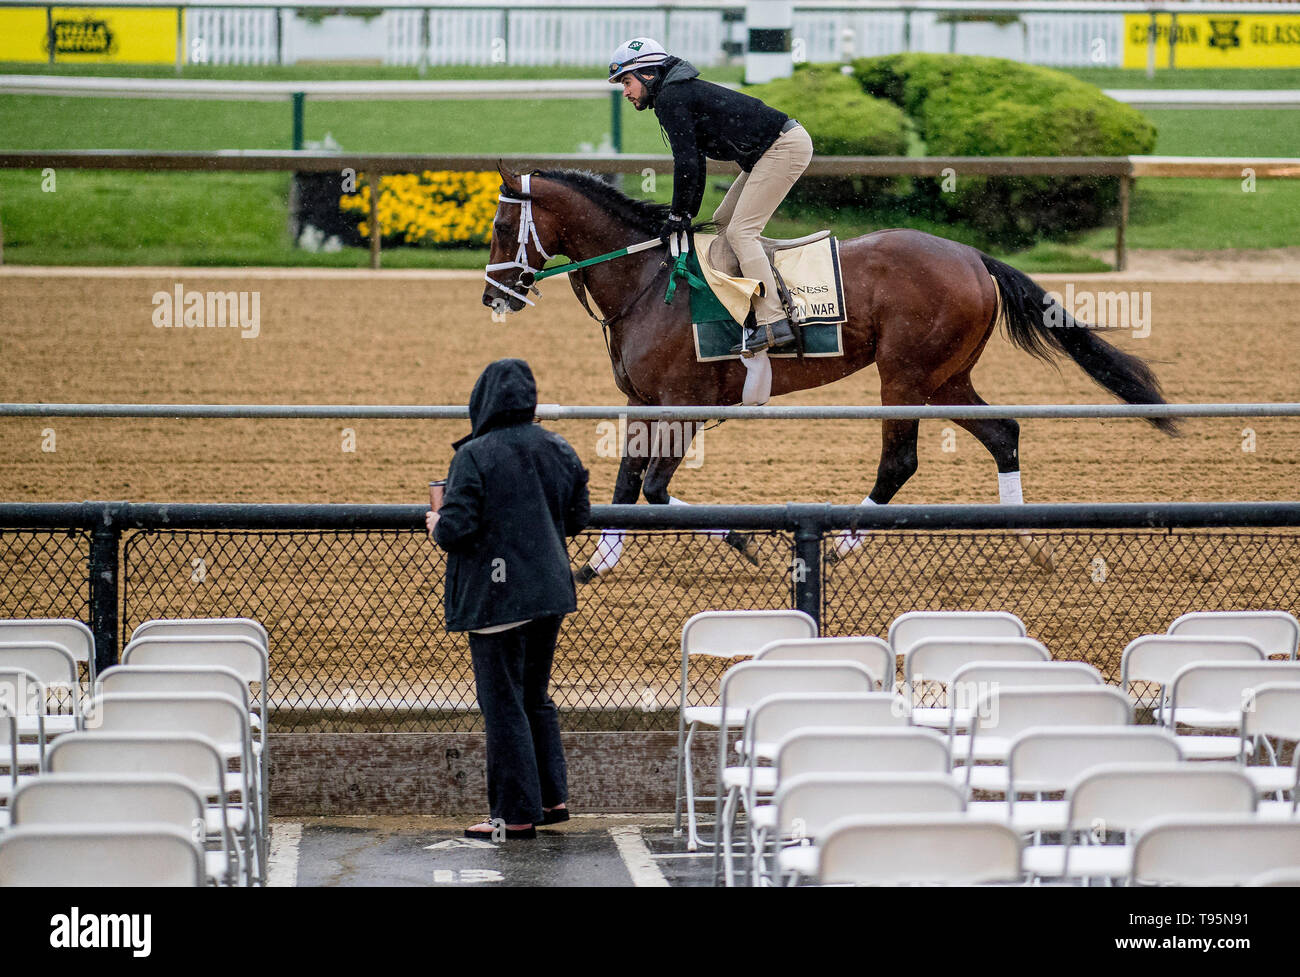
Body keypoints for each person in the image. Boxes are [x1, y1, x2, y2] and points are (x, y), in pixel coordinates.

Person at [427, 358, 590, 840]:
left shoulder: (473, 456)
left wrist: (437, 524)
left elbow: (456, 529)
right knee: (534, 696)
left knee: (503, 704)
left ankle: (515, 815)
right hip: (550, 592)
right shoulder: (558, 445)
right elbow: (578, 516)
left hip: (497, 599)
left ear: (483, 400)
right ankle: (549, 798)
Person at [608, 36, 815, 357]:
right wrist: (683, 214)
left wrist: (679, 215)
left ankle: (774, 321)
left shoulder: (671, 97)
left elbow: (688, 162)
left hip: (783, 146)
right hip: (771, 149)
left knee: (741, 232)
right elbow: (695, 165)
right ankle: (757, 300)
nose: (625, 91)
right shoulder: (674, 93)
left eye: (627, 81)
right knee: (724, 222)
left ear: (648, 75)